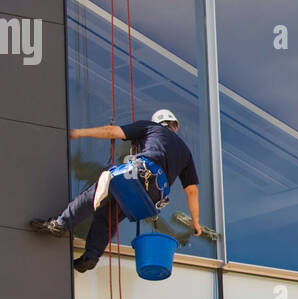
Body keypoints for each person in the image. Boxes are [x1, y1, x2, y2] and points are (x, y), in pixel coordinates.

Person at [31, 108, 202, 272]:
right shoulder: (186, 153)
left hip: (141, 174)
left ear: (157, 123)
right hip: (154, 196)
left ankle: (60, 224)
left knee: (95, 192)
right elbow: (191, 191)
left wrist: (79, 133)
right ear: (175, 126)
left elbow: (111, 131)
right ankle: (91, 256)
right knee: (109, 215)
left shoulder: (150, 128)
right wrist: (195, 222)